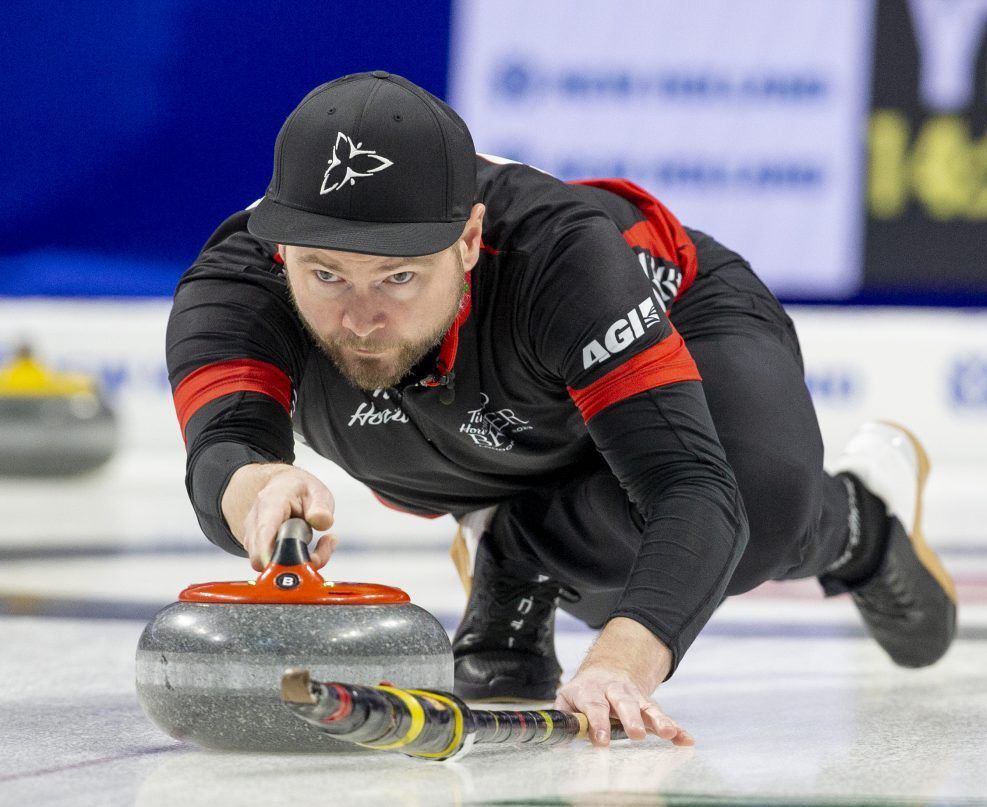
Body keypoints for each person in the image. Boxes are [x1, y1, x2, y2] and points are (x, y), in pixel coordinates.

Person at [166, 71, 957, 748]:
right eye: (325, 274)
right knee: (358, 407)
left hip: (682, 315)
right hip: (474, 420)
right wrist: (256, 487)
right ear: (280, 250)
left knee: (753, 511)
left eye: (398, 276)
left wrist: (622, 659)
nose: (362, 315)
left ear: (469, 238)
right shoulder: (234, 286)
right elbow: (225, 449)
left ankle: (855, 520)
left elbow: (689, 490)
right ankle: (518, 542)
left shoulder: (559, 255)